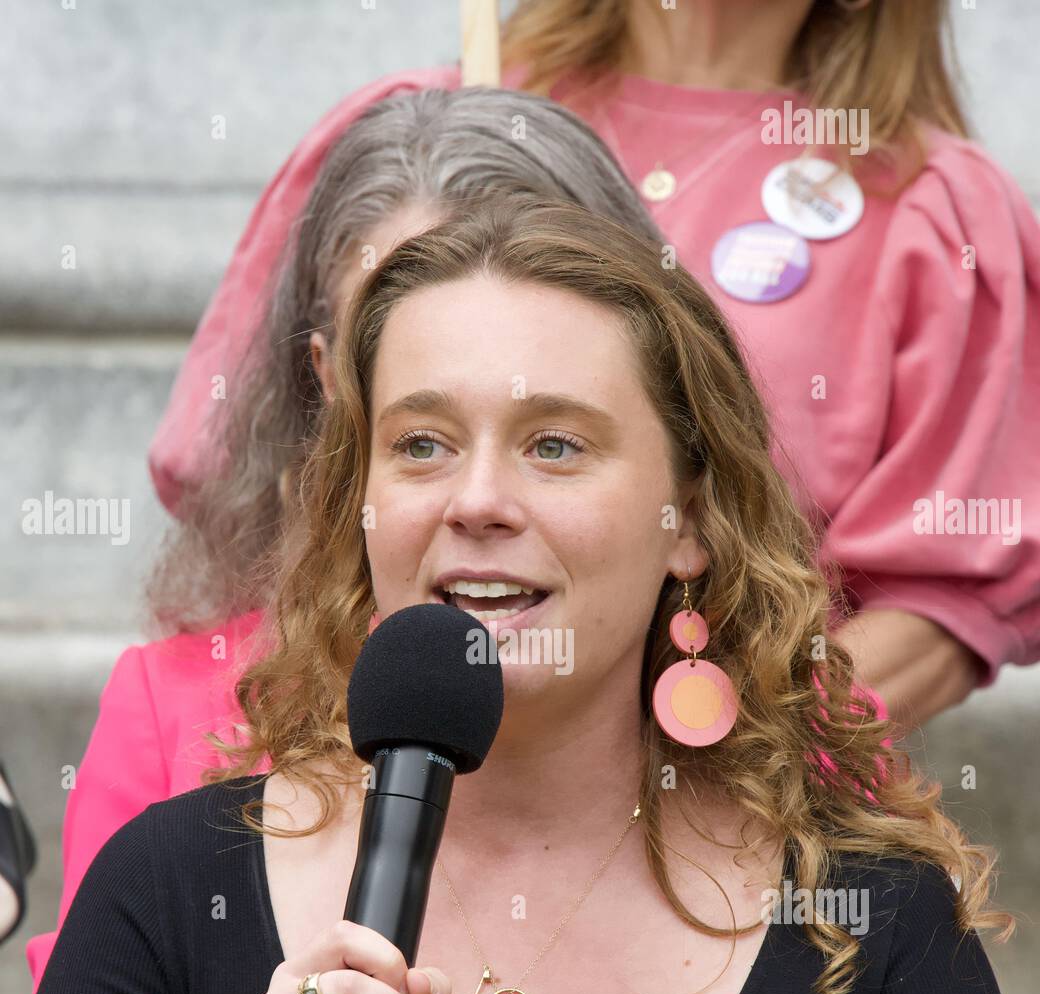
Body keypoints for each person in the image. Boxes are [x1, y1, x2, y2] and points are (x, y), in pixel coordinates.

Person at [2, 199, 1036, 994]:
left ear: (685, 517)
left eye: (554, 443)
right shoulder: (167, 892)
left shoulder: (864, 923)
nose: (478, 500)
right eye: (420, 444)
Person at [147, 0, 1040, 735]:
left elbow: (947, 599)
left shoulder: (931, 206)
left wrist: (704, 768)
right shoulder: (424, 130)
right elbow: (252, 474)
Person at [22, 84, 678, 994]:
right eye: (395, 336)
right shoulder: (171, 712)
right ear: (328, 375)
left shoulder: (788, 728)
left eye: (553, 434)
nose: (480, 497)